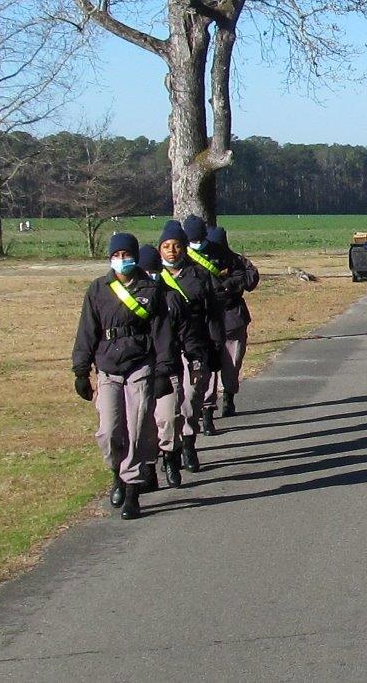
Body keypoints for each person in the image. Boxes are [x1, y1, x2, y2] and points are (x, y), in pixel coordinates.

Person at [71, 233, 176, 519]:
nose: (121, 260)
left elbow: (162, 334)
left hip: (140, 365)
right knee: (109, 430)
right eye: (116, 255)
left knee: (138, 427)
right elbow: (86, 332)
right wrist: (81, 370)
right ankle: (115, 472)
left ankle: (132, 488)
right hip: (107, 367)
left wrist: (163, 371)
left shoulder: (150, 290)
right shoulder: (98, 289)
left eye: (125, 255)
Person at [163, 219, 223, 471]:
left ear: (185, 247)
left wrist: (216, 347)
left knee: (191, 399)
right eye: (166, 246)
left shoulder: (200, 276)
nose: (171, 251)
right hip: (164, 346)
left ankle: (189, 442)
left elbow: (213, 314)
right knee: (166, 407)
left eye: (177, 245)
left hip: (196, 345)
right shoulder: (153, 278)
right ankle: (168, 451)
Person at [204, 226, 259, 419]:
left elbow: (251, 280)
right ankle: (208, 406)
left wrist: (233, 282)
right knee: (210, 365)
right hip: (210, 319)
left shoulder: (236, 261)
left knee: (231, 363)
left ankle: (227, 397)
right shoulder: (198, 263)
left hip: (232, 317)